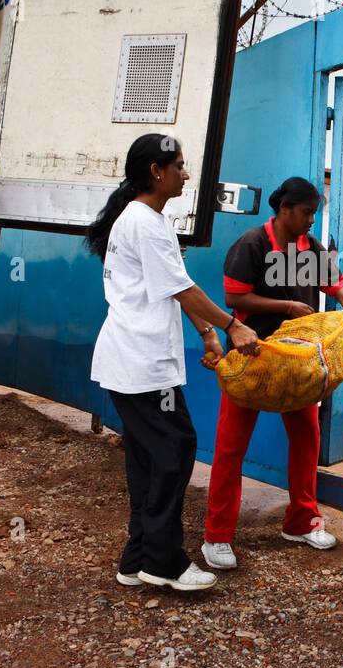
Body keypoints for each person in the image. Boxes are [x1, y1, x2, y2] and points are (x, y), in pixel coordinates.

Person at [87, 134, 259, 592]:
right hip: (140, 362)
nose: (186, 173)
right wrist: (231, 326)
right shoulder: (142, 221)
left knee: (149, 455)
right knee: (175, 449)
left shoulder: (150, 220)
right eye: (179, 165)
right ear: (155, 172)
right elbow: (182, 289)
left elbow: (171, 284)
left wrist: (206, 333)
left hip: (134, 361)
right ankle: (163, 561)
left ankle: (137, 557)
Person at [201, 177, 343, 570]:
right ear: (285, 209)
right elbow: (234, 298)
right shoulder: (252, 244)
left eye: (314, 213)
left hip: (297, 364)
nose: (311, 220)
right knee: (230, 447)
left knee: (307, 438)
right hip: (253, 359)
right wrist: (287, 306)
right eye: (307, 213)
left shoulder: (309, 247)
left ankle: (302, 521)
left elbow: (336, 282)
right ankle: (217, 536)